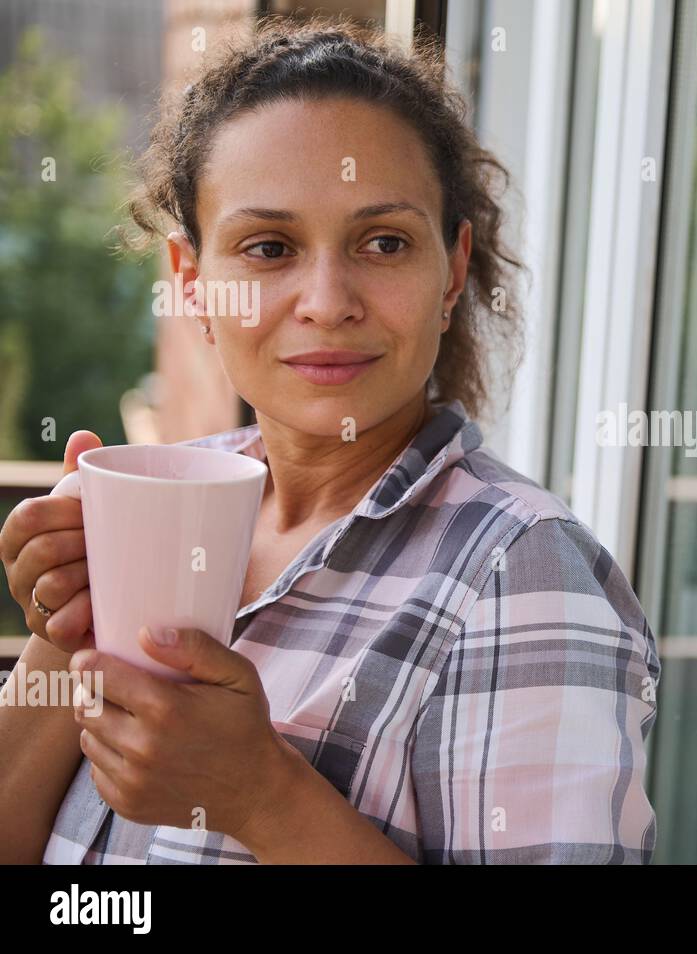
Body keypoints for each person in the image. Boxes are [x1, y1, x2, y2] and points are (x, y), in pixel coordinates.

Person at [0, 17, 660, 865]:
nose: (327, 301)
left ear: (452, 272)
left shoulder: (521, 575)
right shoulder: (166, 500)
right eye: (269, 247)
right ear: (193, 283)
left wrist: (263, 797)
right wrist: (72, 621)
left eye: (383, 243)